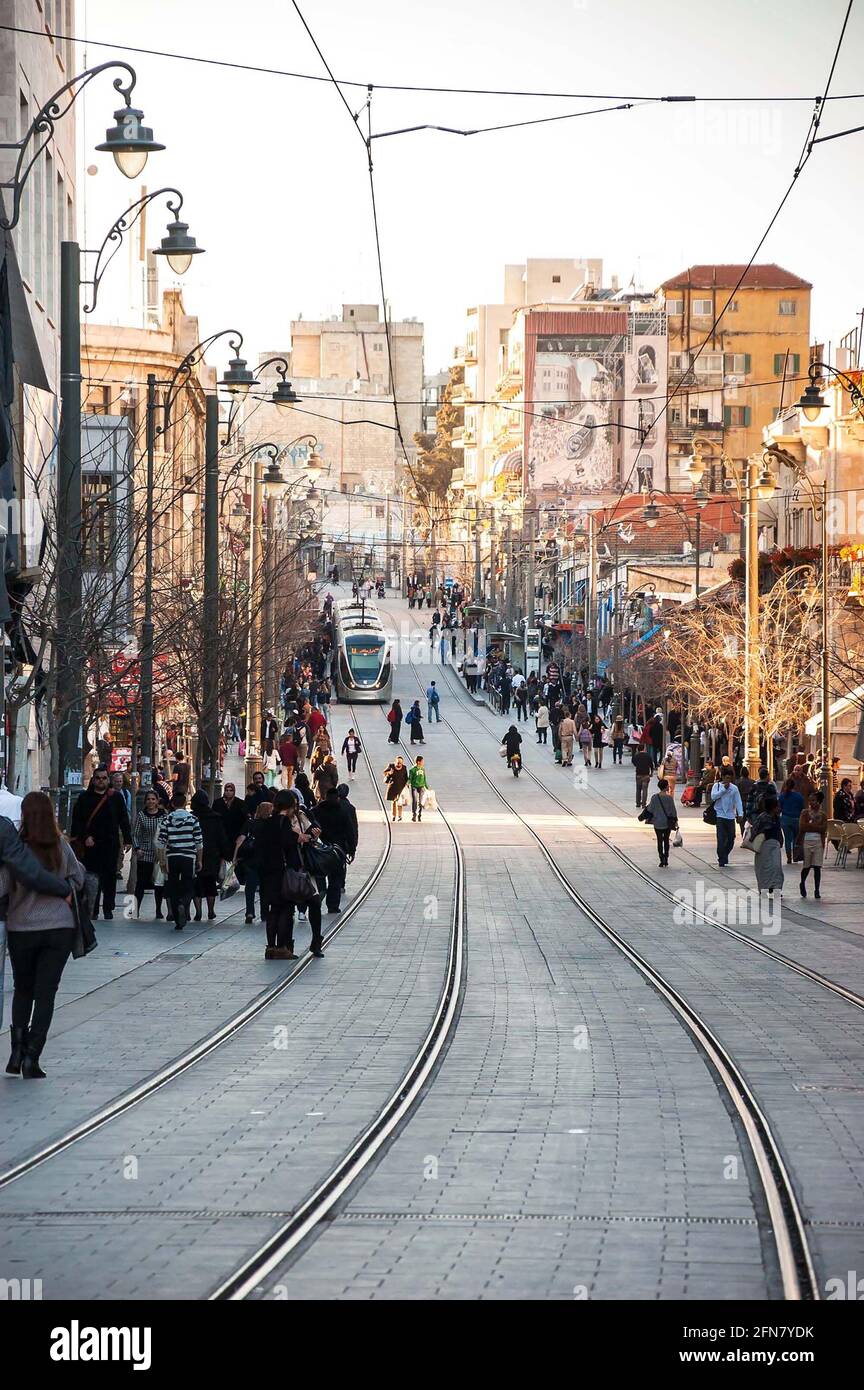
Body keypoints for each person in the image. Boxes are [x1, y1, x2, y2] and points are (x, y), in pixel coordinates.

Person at [0, 792, 85, 1079]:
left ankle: (15, 1052)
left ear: (24, 816)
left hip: (21, 928)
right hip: (59, 929)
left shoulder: (16, 851)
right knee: (46, 994)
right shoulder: (61, 846)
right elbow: (80, 877)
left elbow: (2, 887)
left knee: (22, 989)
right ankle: (32, 1058)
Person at [254, 789, 323, 960]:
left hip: (268, 872)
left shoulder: (267, 822)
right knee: (286, 909)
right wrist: (299, 838)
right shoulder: (283, 822)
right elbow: (286, 841)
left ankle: (271, 947)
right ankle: (283, 947)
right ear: (290, 805)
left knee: (273, 910)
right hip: (284, 872)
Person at [69, 767, 132, 920]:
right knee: (91, 877)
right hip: (91, 845)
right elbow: (77, 821)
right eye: (98, 778)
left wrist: (128, 839)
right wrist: (85, 837)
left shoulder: (115, 797)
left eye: (104, 778)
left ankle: (109, 908)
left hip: (110, 844)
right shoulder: (85, 798)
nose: (101, 781)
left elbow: (123, 819)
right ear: (93, 779)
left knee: (110, 877)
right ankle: (93, 908)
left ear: (108, 780)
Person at [157, 793, 203, 930]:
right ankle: (184, 902)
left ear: (172, 804)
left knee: (173, 886)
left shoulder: (167, 820)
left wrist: (162, 861)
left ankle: (178, 919)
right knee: (188, 885)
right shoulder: (193, 819)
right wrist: (200, 860)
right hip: (188, 857)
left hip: (173, 857)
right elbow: (199, 842)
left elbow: (161, 843)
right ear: (185, 803)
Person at [312, 786, 356, 912]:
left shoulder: (317, 811)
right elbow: (350, 831)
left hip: (320, 849)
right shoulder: (342, 812)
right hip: (337, 850)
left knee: (320, 874)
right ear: (337, 798)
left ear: (325, 798)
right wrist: (352, 849)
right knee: (335, 878)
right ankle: (332, 905)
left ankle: (321, 891)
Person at [190, 791, 229, 921]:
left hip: (196, 853)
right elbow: (222, 838)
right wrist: (225, 854)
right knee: (210, 884)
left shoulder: (192, 817)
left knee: (197, 885)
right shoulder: (216, 817)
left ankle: (198, 912)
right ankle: (211, 910)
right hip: (213, 855)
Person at [131, 790, 167, 919]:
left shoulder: (164, 815)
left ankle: (158, 910)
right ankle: (136, 910)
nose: (150, 802)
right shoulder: (142, 815)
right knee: (141, 883)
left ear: (157, 801)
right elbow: (135, 834)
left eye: (153, 799)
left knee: (159, 883)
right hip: (145, 853)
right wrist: (137, 848)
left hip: (159, 854)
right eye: (148, 799)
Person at [236, 801, 273, 924]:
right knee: (265, 888)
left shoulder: (250, 823)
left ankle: (250, 911)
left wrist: (235, 856)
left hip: (251, 860)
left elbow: (240, 840)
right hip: (267, 860)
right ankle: (264, 913)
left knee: (250, 887)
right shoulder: (271, 824)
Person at [750, 794, 784, 896]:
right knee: (764, 868)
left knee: (776, 867)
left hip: (775, 846)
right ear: (773, 808)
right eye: (778, 806)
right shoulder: (763, 818)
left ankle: (776, 887)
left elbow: (778, 831)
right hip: (764, 847)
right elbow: (755, 831)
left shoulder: (776, 818)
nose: (779, 808)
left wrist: (781, 840)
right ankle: (765, 888)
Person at [797, 790, 827, 899]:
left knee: (817, 867)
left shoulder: (823, 814)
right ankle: (802, 883)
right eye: (810, 800)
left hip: (818, 842)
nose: (811, 803)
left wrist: (811, 826)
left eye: (814, 800)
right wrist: (816, 827)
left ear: (819, 801)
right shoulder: (805, 813)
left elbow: (823, 829)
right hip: (807, 841)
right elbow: (802, 826)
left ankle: (817, 889)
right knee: (807, 866)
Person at [710, 767, 743, 868]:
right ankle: (722, 858)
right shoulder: (717, 786)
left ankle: (725, 853)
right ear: (723, 777)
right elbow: (713, 797)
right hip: (719, 815)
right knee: (721, 838)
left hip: (730, 816)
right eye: (726, 778)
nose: (728, 780)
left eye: (730, 778)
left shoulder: (734, 788)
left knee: (731, 837)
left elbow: (738, 801)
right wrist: (724, 789)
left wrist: (740, 813)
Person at [645, 778, 678, 867]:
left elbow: (650, 809)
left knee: (659, 840)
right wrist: (676, 821)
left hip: (657, 822)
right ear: (666, 786)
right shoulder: (669, 798)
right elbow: (673, 811)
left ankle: (661, 858)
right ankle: (666, 858)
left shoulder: (655, 797)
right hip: (667, 823)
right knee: (666, 840)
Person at [212, 783, 248, 860]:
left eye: (231, 790)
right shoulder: (218, 803)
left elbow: (245, 819)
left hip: (235, 834)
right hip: (222, 834)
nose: (228, 792)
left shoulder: (240, 803)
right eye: (226, 790)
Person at [778, 778, 805, 864]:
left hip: (785, 819)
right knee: (795, 838)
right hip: (796, 819)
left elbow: (779, 808)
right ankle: (795, 856)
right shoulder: (799, 796)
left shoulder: (782, 796)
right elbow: (802, 808)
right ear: (794, 785)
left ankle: (788, 857)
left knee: (787, 839)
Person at [383, 756, 409, 822]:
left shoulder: (404, 768)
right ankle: (394, 815)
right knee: (394, 802)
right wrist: (389, 774)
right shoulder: (391, 766)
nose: (399, 764)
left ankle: (400, 816)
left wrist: (407, 784)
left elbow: (406, 777)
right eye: (398, 763)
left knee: (400, 802)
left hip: (401, 787)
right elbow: (384, 773)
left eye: (400, 763)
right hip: (393, 787)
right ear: (395, 762)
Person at [408, 756, 428, 822]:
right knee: (415, 801)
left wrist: (427, 787)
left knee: (421, 801)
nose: (423, 762)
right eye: (422, 761)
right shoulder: (412, 769)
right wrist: (408, 783)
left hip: (421, 786)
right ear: (418, 762)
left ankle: (420, 814)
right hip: (414, 787)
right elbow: (410, 778)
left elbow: (424, 778)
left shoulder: (423, 769)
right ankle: (414, 814)